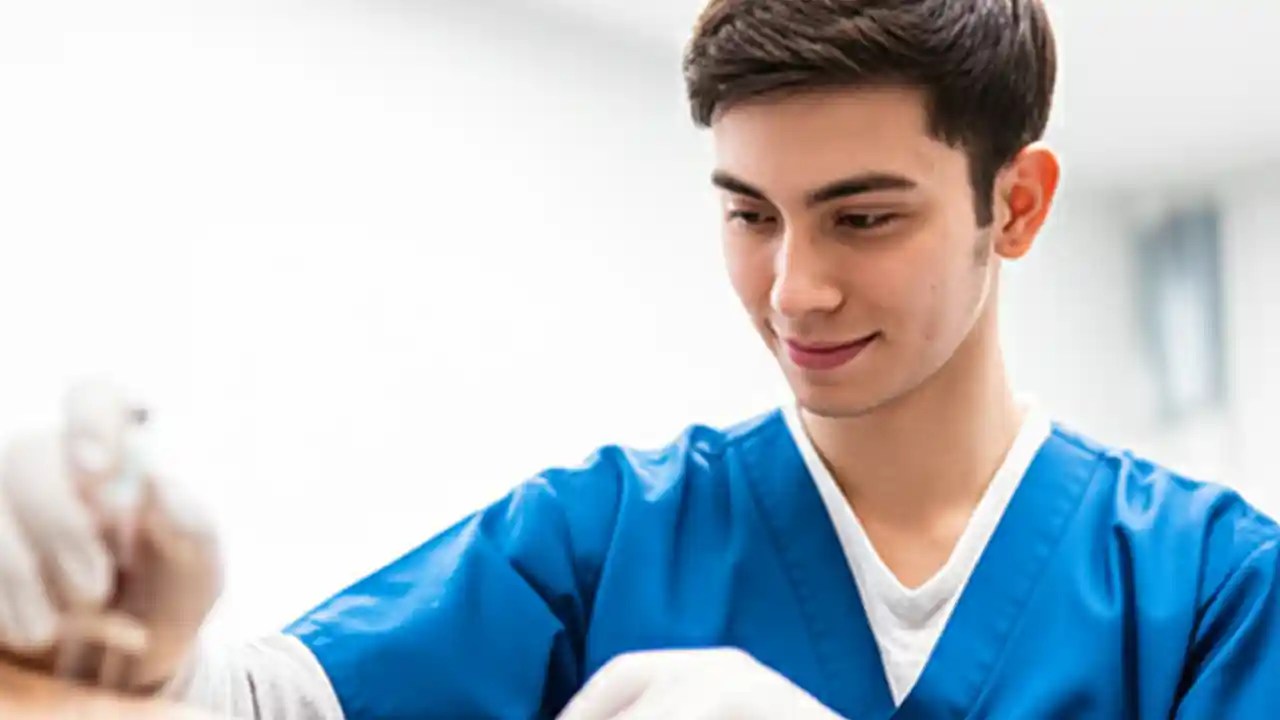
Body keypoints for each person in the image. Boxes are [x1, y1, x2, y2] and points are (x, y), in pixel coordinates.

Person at [2, 0, 1277, 717]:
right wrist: (148, 646)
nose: (793, 288)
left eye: (862, 216)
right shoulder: (606, 539)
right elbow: (284, 712)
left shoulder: (1209, 595)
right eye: (747, 212)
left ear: (1017, 205)